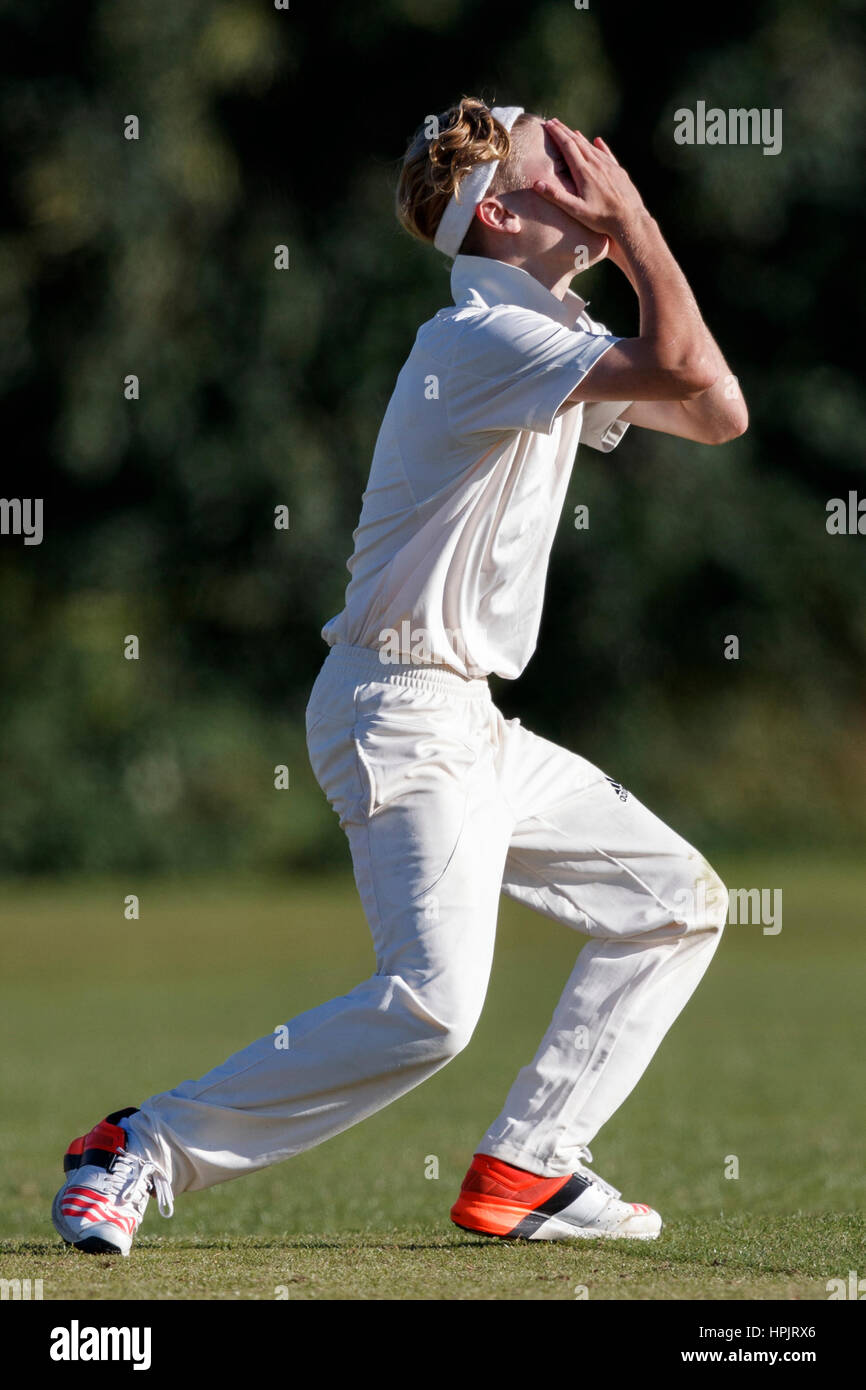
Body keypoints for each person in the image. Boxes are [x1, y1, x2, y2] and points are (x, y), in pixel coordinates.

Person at [52, 97, 746, 1255]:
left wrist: (621, 236)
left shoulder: (542, 326)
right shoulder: (481, 336)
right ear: (500, 216)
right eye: (558, 164)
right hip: (398, 711)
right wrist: (630, 224)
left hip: (470, 720)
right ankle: (139, 1147)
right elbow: (680, 361)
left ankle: (530, 1164)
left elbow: (715, 408)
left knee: (675, 901)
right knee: (433, 1007)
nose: (589, 169)